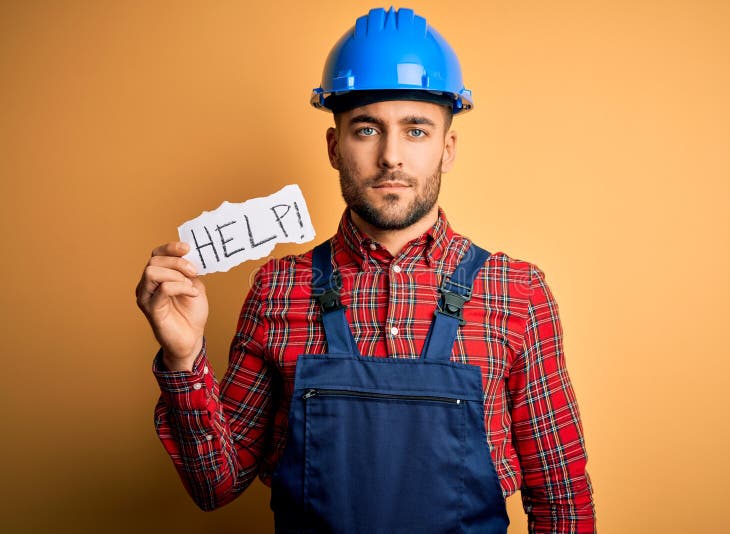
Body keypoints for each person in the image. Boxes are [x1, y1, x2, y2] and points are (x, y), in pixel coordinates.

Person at [136, 6, 595, 533]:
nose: (391, 156)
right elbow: (214, 486)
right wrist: (183, 356)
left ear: (447, 150)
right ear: (334, 147)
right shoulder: (278, 288)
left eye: (416, 130)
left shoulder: (517, 294)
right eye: (366, 128)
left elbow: (562, 502)